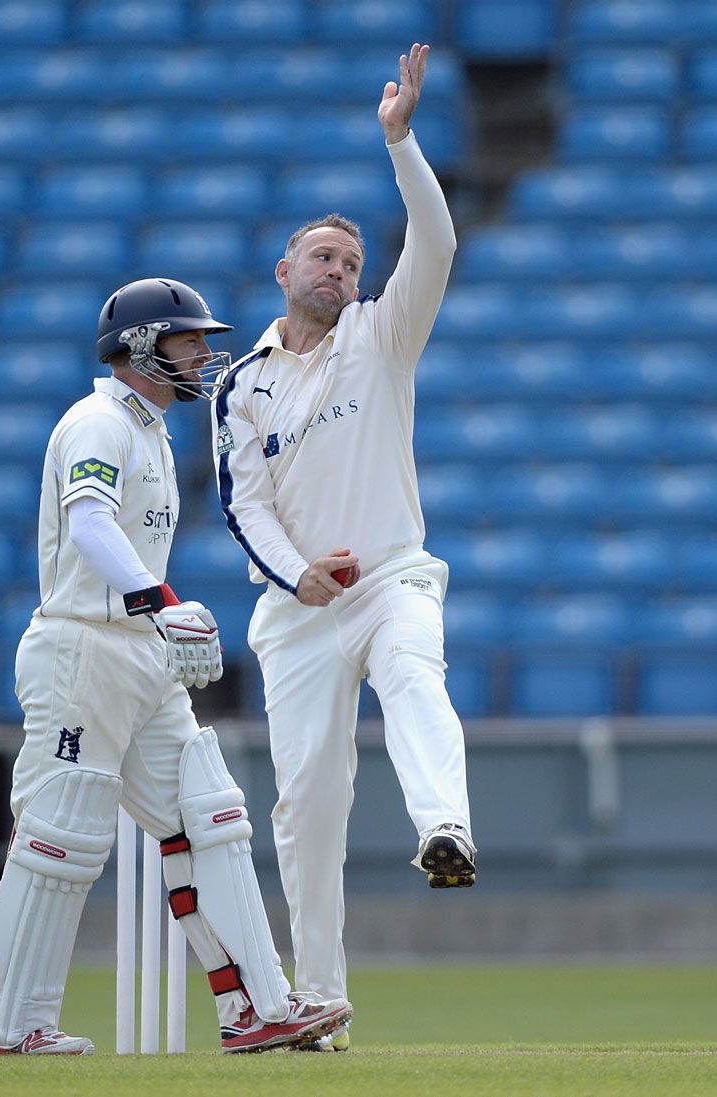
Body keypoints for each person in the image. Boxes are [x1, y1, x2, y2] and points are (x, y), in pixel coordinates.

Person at [0, 278, 351, 1056]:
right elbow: (88, 523)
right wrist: (160, 598)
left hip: (141, 653)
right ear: (143, 347)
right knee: (61, 840)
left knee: (210, 815)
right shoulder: (96, 421)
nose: (205, 355)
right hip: (81, 650)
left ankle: (258, 1008)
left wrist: (158, 613)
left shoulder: (155, 430)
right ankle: (14, 1026)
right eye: (189, 341)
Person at [211, 45, 476, 1049]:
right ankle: (318, 1001)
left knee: (415, 663)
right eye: (323, 258)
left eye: (352, 262)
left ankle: (445, 825)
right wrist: (300, 573)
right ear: (285, 271)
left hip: (394, 574)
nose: (340, 271)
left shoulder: (383, 334)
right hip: (296, 612)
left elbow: (439, 247)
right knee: (307, 808)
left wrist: (400, 144)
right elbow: (248, 507)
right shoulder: (244, 383)